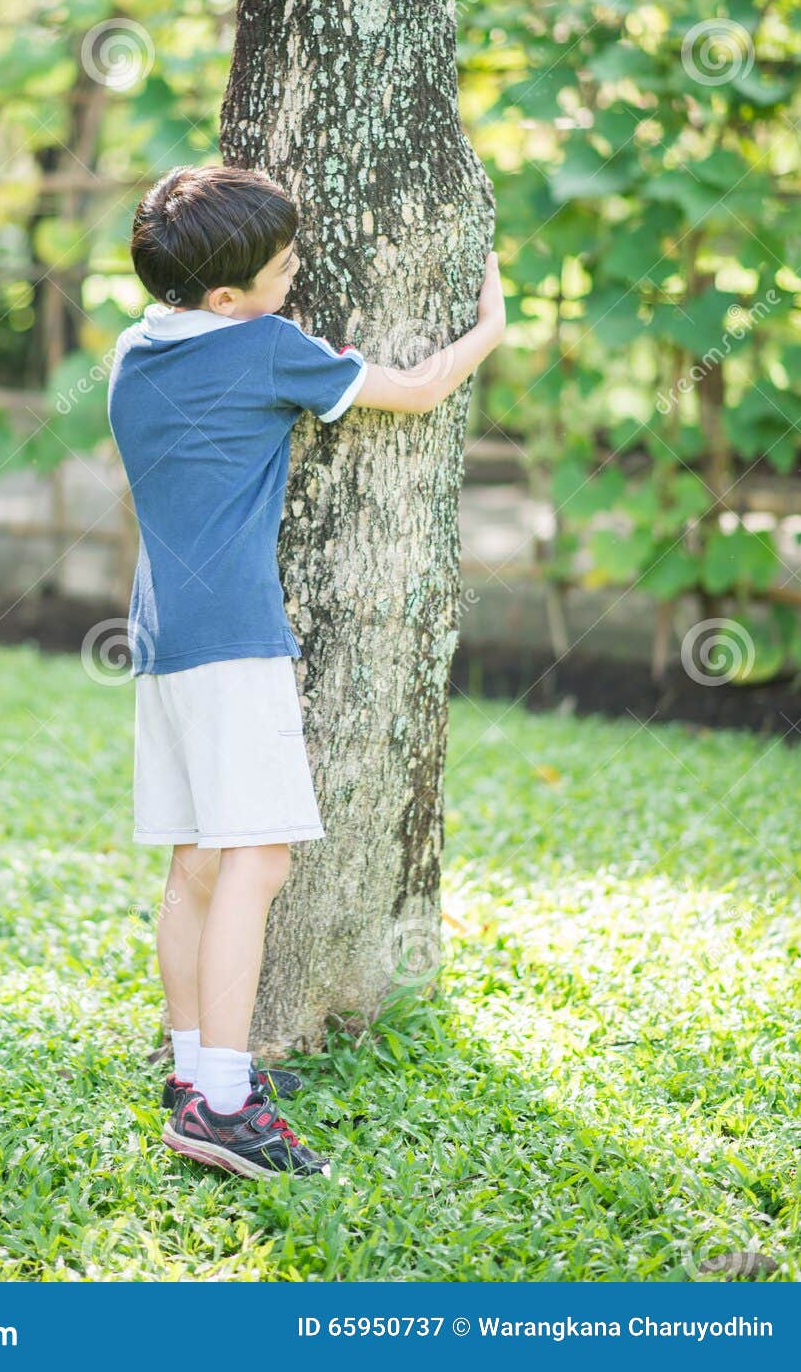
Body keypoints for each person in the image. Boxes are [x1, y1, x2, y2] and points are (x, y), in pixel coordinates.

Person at [107, 165, 506, 1179]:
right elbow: (414, 392)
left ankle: (193, 1068)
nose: (296, 279)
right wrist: (489, 326)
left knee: (196, 858)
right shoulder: (264, 348)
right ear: (230, 295)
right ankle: (225, 1104)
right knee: (260, 858)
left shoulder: (130, 352)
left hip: (161, 637)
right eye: (285, 269)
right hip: (238, 638)